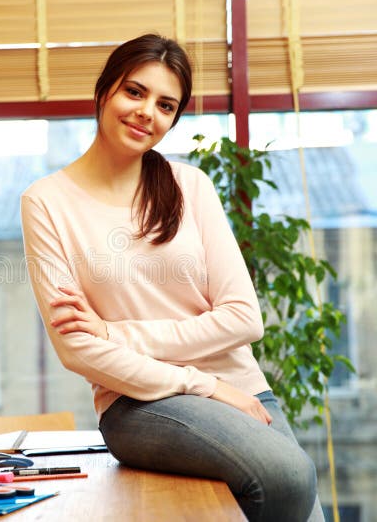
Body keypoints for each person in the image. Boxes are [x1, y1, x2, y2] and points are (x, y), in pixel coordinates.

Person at [20, 33, 324, 522]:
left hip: (242, 386)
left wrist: (117, 332)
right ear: (104, 92)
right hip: (138, 401)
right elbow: (78, 348)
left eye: (166, 105)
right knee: (288, 476)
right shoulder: (46, 202)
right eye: (134, 92)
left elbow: (244, 319)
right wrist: (201, 384)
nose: (147, 113)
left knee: (299, 497)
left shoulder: (191, 187)